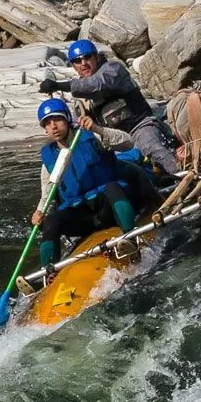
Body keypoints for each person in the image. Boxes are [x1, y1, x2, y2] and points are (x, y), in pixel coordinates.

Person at [33, 98, 160, 270]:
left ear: (67, 119)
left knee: (112, 187)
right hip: (83, 215)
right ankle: (47, 273)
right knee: (51, 220)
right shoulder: (48, 160)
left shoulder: (90, 135)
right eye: (47, 123)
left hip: (109, 207)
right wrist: (40, 212)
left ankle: (130, 239)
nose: (53, 126)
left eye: (57, 119)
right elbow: (47, 195)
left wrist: (97, 128)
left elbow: (128, 142)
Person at [38, 39, 179, 176]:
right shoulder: (79, 97)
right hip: (112, 141)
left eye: (87, 57)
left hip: (140, 127)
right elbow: (77, 123)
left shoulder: (113, 70)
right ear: (73, 65)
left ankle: (180, 176)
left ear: (97, 57)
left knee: (152, 148)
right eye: (77, 61)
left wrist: (60, 85)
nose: (83, 63)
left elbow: (96, 85)